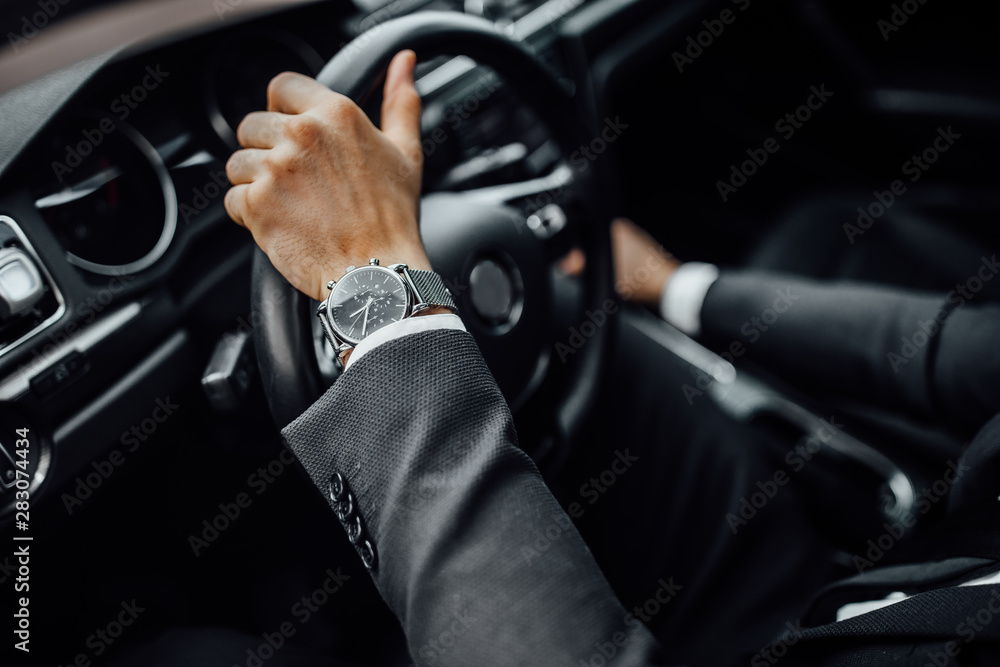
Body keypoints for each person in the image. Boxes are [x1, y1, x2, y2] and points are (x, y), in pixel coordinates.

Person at [223, 50, 1000, 665]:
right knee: (577, 324)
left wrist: (374, 279)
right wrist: (679, 288)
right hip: (875, 587)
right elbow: (978, 355)